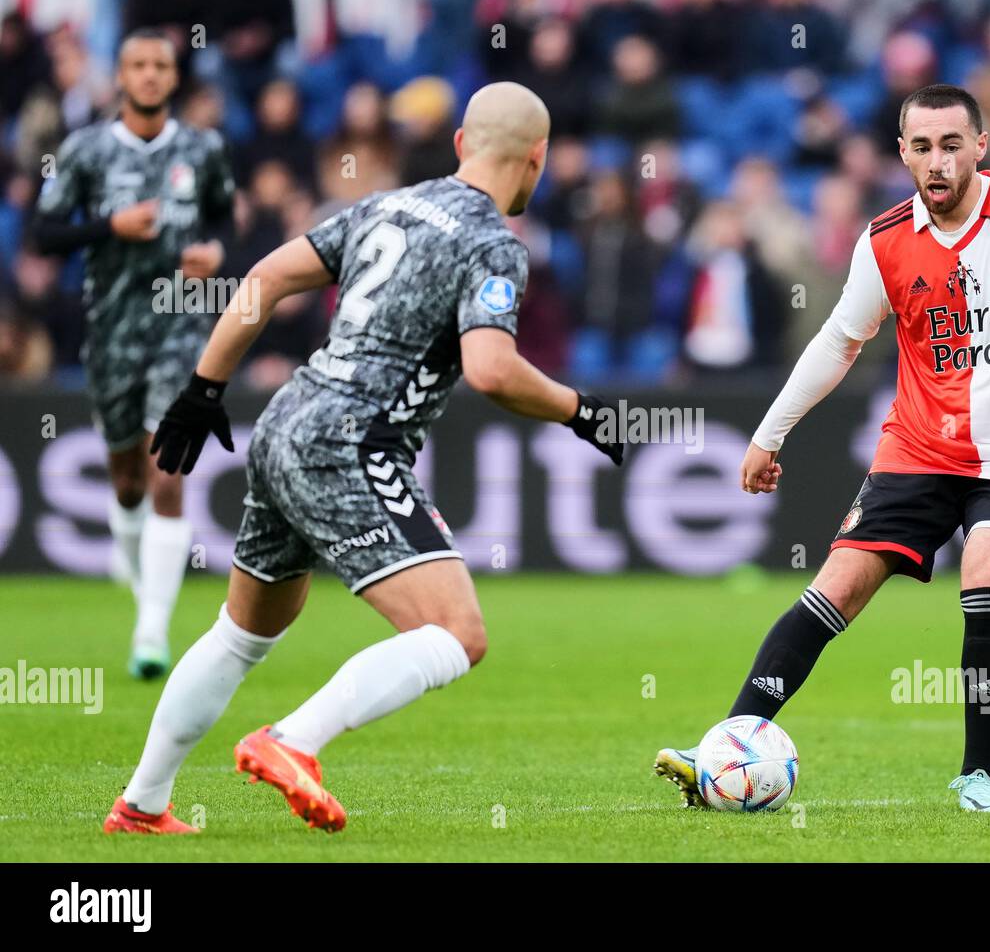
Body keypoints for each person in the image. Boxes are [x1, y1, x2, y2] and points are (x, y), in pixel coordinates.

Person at [654, 84, 990, 812]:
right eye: (921, 147)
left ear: (979, 146)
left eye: (950, 145)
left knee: (987, 572)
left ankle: (978, 776)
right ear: (902, 153)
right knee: (835, 588)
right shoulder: (884, 241)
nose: (936, 161)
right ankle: (723, 748)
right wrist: (767, 434)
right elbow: (837, 343)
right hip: (917, 449)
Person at [103, 82, 622, 835]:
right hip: (350, 441)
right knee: (458, 633)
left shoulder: (387, 204)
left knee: (240, 634)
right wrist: (582, 411)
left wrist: (203, 388)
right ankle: (291, 740)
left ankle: (142, 804)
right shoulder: (493, 243)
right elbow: (491, 370)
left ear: (459, 145)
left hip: (286, 419)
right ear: (536, 158)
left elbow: (267, 279)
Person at [30, 29, 234, 679]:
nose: (149, 75)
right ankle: (138, 571)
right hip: (111, 327)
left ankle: (151, 633)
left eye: (160, 66)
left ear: (174, 78)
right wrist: (107, 227)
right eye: (137, 65)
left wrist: (216, 253)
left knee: (165, 472)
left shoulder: (201, 150)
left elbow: (226, 217)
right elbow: (44, 233)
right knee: (126, 480)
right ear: (120, 76)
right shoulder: (86, 150)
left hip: (179, 324)